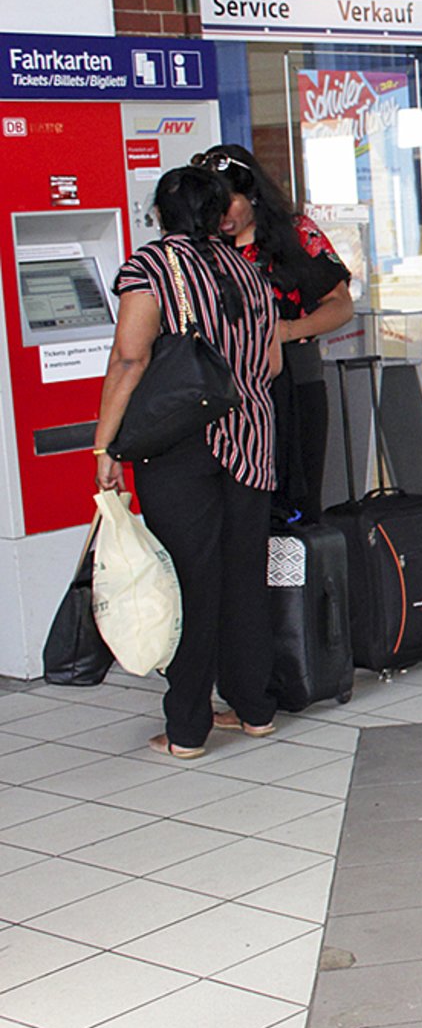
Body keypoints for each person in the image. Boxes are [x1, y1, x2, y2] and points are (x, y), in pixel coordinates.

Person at [92, 166, 282, 759]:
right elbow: (271, 363)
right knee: (244, 577)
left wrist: (104, 448)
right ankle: (254, 709)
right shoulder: (246, 270)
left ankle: (186, 729)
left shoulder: (152, 267)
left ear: (159, 213)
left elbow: (130, 360)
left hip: (184, 446)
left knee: (190, 582)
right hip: (251, 440)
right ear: (219, 213)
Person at [196, 144, 353, 523]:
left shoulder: (296, 234)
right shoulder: (203, 247)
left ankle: (299, 580)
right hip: (223, 389)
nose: (220, 216)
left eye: (228, 203)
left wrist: (285, 331)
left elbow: (340, 305)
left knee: (293, 497)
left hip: (292, 379)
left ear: (251, 193)